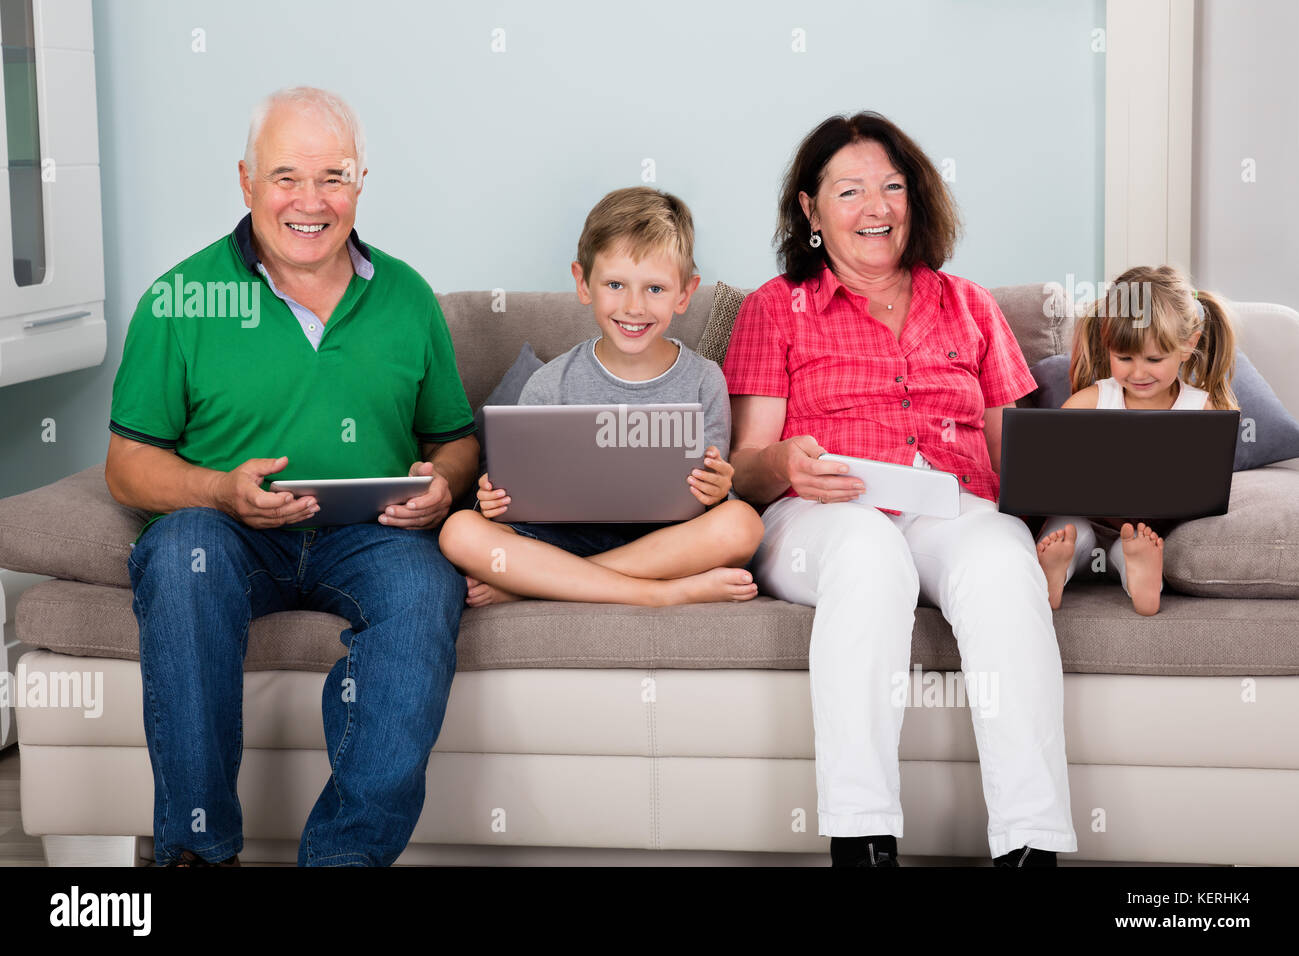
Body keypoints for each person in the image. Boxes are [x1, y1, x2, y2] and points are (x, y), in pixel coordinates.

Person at [105, 87, 479, 866]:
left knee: (426, 587)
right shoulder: (180, 298)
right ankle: (197, 854)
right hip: (227, 533)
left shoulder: (406, 295)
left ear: (361, 184)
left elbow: (455, 441)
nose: (311, 201)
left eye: (334, 177)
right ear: (245, 182)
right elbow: (127, 466)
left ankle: (343, 859)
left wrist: (442, 482)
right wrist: (217, 490)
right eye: (286, 177)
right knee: (180, 557)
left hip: (368, 537)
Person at [724, 112, 1078, 867]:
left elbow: (1013, 449)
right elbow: (746, 467)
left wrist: (1087, 484)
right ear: (810, 211)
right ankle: (863, 839)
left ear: (915, 200)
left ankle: (1031, 846)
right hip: (819, 513)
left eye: (891, 186)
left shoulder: (970, 305)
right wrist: (786, 461)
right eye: (849, 190)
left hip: (949, 506)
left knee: (999, 564)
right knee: (868, 553)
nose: (875, 207)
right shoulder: (773, 307)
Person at [439, 187, 764, 607]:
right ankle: (657, 594)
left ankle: (547, 584)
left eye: (655, 289)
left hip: (665, 541)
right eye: (615, 284)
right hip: (561, 538)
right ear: (583, 283)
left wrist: (720, 489)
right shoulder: (549, 384)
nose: (634, 306)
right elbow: (515, 500)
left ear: (685, 293)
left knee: (742, 525)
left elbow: (714, 494)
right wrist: (496, 499)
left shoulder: (705, 379)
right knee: (460, 532)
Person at [1036, 266, 1239, 616]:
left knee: (1135, 547)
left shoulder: (1200, 408)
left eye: (1154, 359)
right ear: (1108, 345)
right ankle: (1052, 575)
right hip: (1089, 519)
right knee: (1067, 530)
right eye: (1124, 358)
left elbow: (1211, 482)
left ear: (1188, 344)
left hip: (1148, 530)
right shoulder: (1092, 401)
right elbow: (1046, 464)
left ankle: (1141, 579)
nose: (1138, 373)